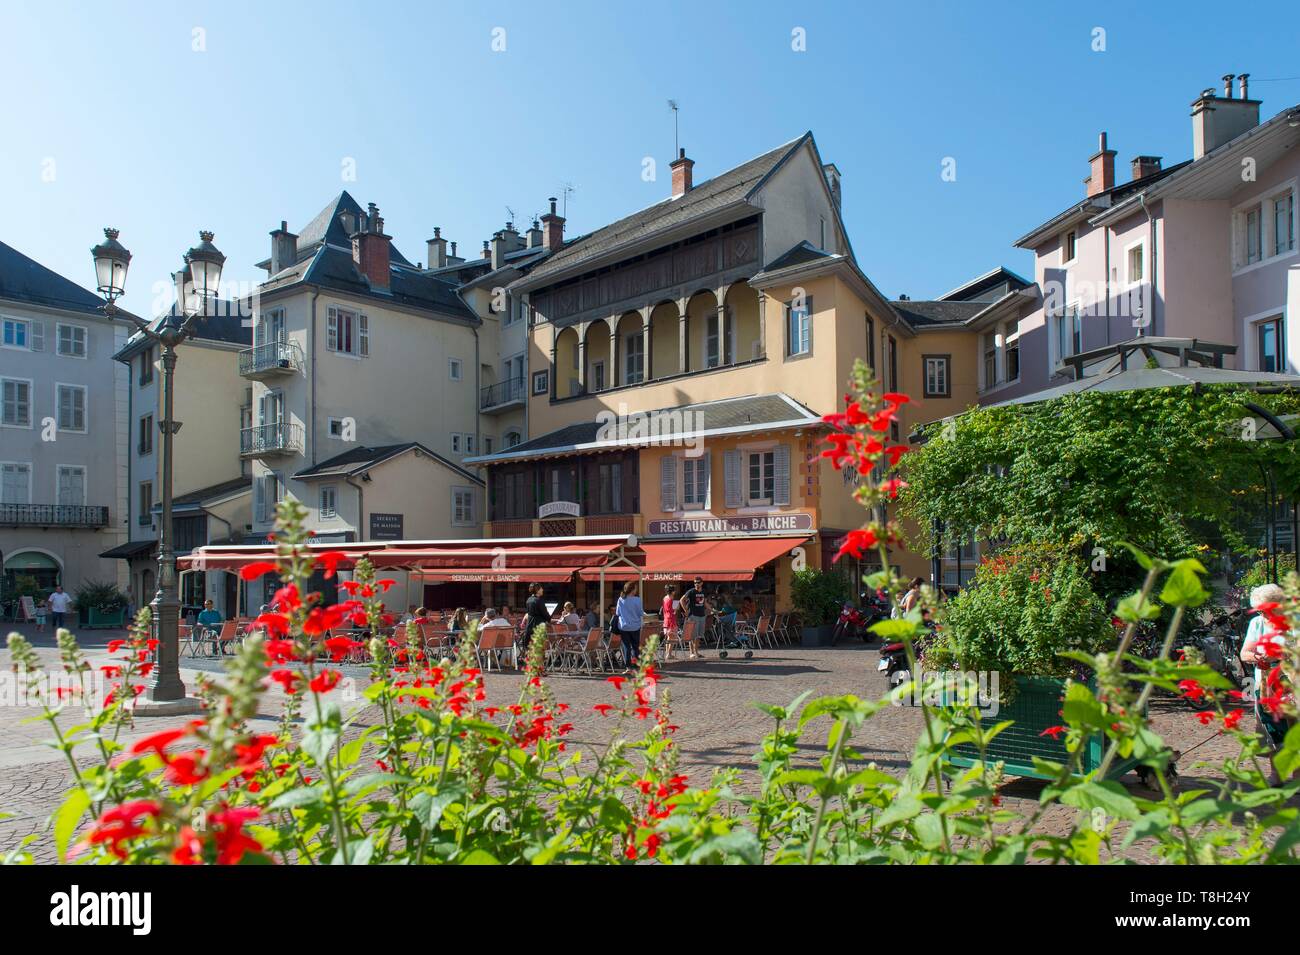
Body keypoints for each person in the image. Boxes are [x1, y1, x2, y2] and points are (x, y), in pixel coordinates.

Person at [1240, 583, 1292, 752]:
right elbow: (1244, 653)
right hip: (1265, 684)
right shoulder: (1257, 623)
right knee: (1271, 727)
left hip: (1291, 682)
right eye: (1259, 610)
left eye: (1264, 610)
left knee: (1293, 726)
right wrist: (1256, 657)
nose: (1261, 614)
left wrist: (1278, 655)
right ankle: (1276, 773)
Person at [615, 581, 644, 671]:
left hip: (624, 626)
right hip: (635, 626)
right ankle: (637, 665)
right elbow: (640, 613)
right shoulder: (637, 600)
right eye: (635, 588)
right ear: (632, 590)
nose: (636, 590)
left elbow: (617, 613)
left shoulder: (620, 599)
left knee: (626, 646)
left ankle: (628, 666)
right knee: (635, 647)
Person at [679, 576, 709, 661]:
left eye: (698, 582)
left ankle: (697, 652)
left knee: (699, 635)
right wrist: (686, 610)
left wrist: (712, 609)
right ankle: (691, 653)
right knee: (692, 635)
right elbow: (681, 600)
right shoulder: (691, 591)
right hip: (693, 615)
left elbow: (705, 603)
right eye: (695, 582)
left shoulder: (703, 591)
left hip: (702, 615)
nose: (696, 584)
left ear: (702, 583)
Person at [522, 584, 549, 652]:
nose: (542, 589)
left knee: (530, 649)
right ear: (537, 590)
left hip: (529, 626)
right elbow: (545, 614)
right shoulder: (539, 601)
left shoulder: (528, 600)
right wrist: (549, 619)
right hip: (538, 627)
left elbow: (528, 613)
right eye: (541, 588)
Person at [661, 585, 679, 660]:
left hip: (666, 619)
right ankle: (669, 654)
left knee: (669, 637)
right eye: (674, 590)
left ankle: (668, 653)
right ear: (672, 591)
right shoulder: (671, 599)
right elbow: (673, 611)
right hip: (671, 619)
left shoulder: (664, 598)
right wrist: (676, 609)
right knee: (673, 637)